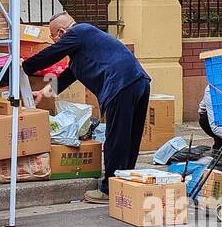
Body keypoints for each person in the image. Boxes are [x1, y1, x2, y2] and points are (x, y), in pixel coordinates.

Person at [21, 13, 150, 204]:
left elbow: (51, 54)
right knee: (128, 137)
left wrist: (25, 66)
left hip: (120, 85)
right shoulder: (85, 47)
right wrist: (43, 92)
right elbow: (68, 75)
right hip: (138, 82)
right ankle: (126, 181)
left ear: (62, 31)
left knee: (116, 138)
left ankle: (109, 190)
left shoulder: (80, 31)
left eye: (53, 36)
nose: (54, 41)